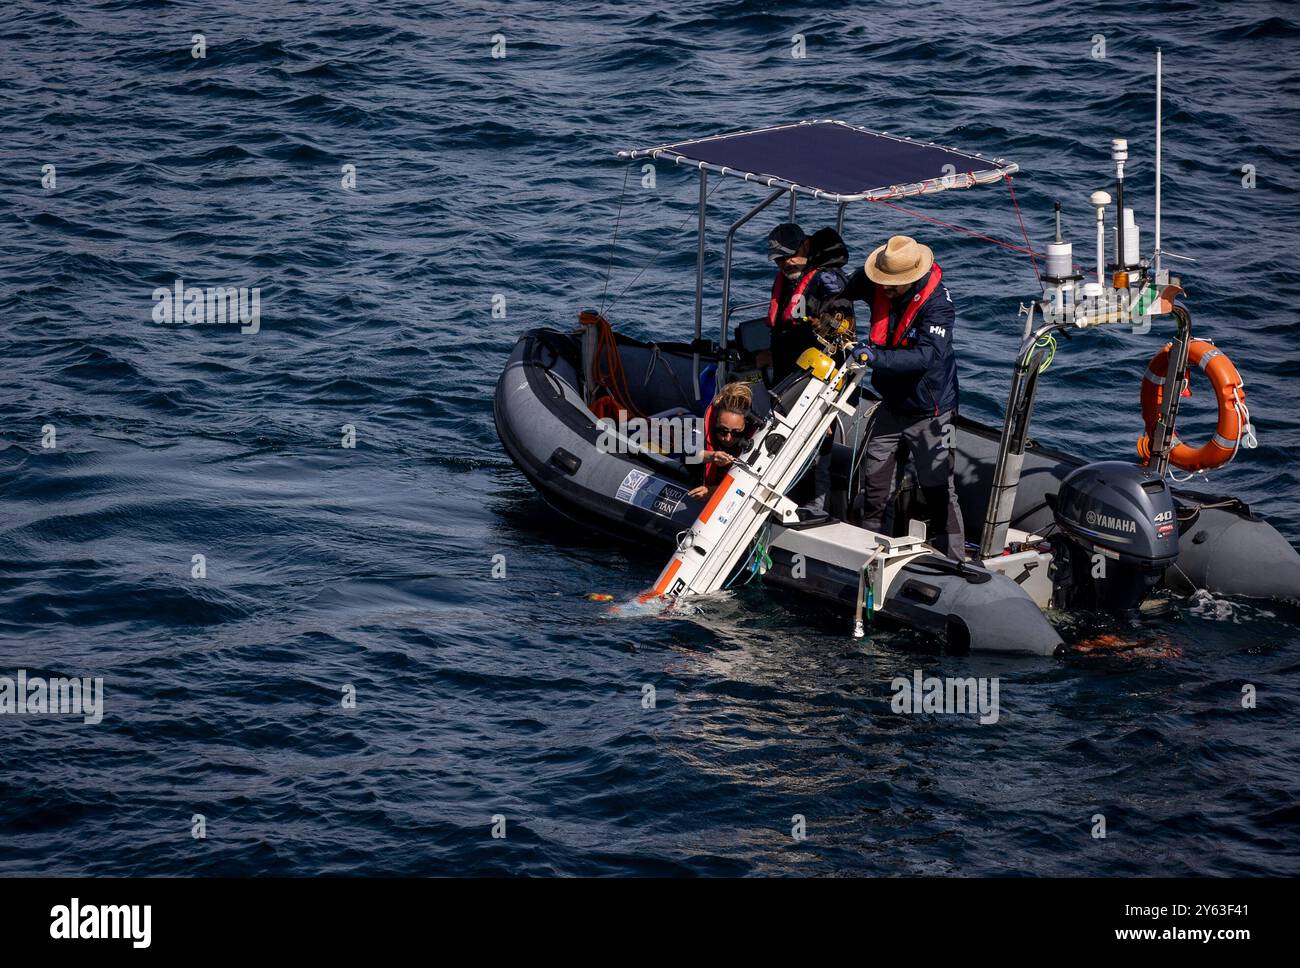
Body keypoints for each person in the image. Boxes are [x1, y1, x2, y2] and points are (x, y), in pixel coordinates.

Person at [844, 235, 965, 559]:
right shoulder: (877, 283)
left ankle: (955, 559)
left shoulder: (938, 305)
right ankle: (868, 547)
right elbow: (849, 287)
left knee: (938, 486)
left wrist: (872, 358)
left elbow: (926, 357)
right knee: (874, 478)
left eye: (891, 285)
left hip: (930, 411)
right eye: (881, 281)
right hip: (892, 405)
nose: (884, 289)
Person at [760, 225, 854, 384]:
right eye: (779, 259)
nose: (787, 262)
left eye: (791, 255)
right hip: (787, 368)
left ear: (806, 245)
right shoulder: (788, 280)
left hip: (818, 375)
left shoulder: (829, 280)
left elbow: (841, 329)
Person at [687, 382, 753, 501]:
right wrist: (712, 456)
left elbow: (749, 487)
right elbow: (689, 453)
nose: (728, 438)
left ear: (746, 425)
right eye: (722, 430)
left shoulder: (755, 437)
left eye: (736, 432)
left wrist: (712, 492)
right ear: (715, 420)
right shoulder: (701, 427)